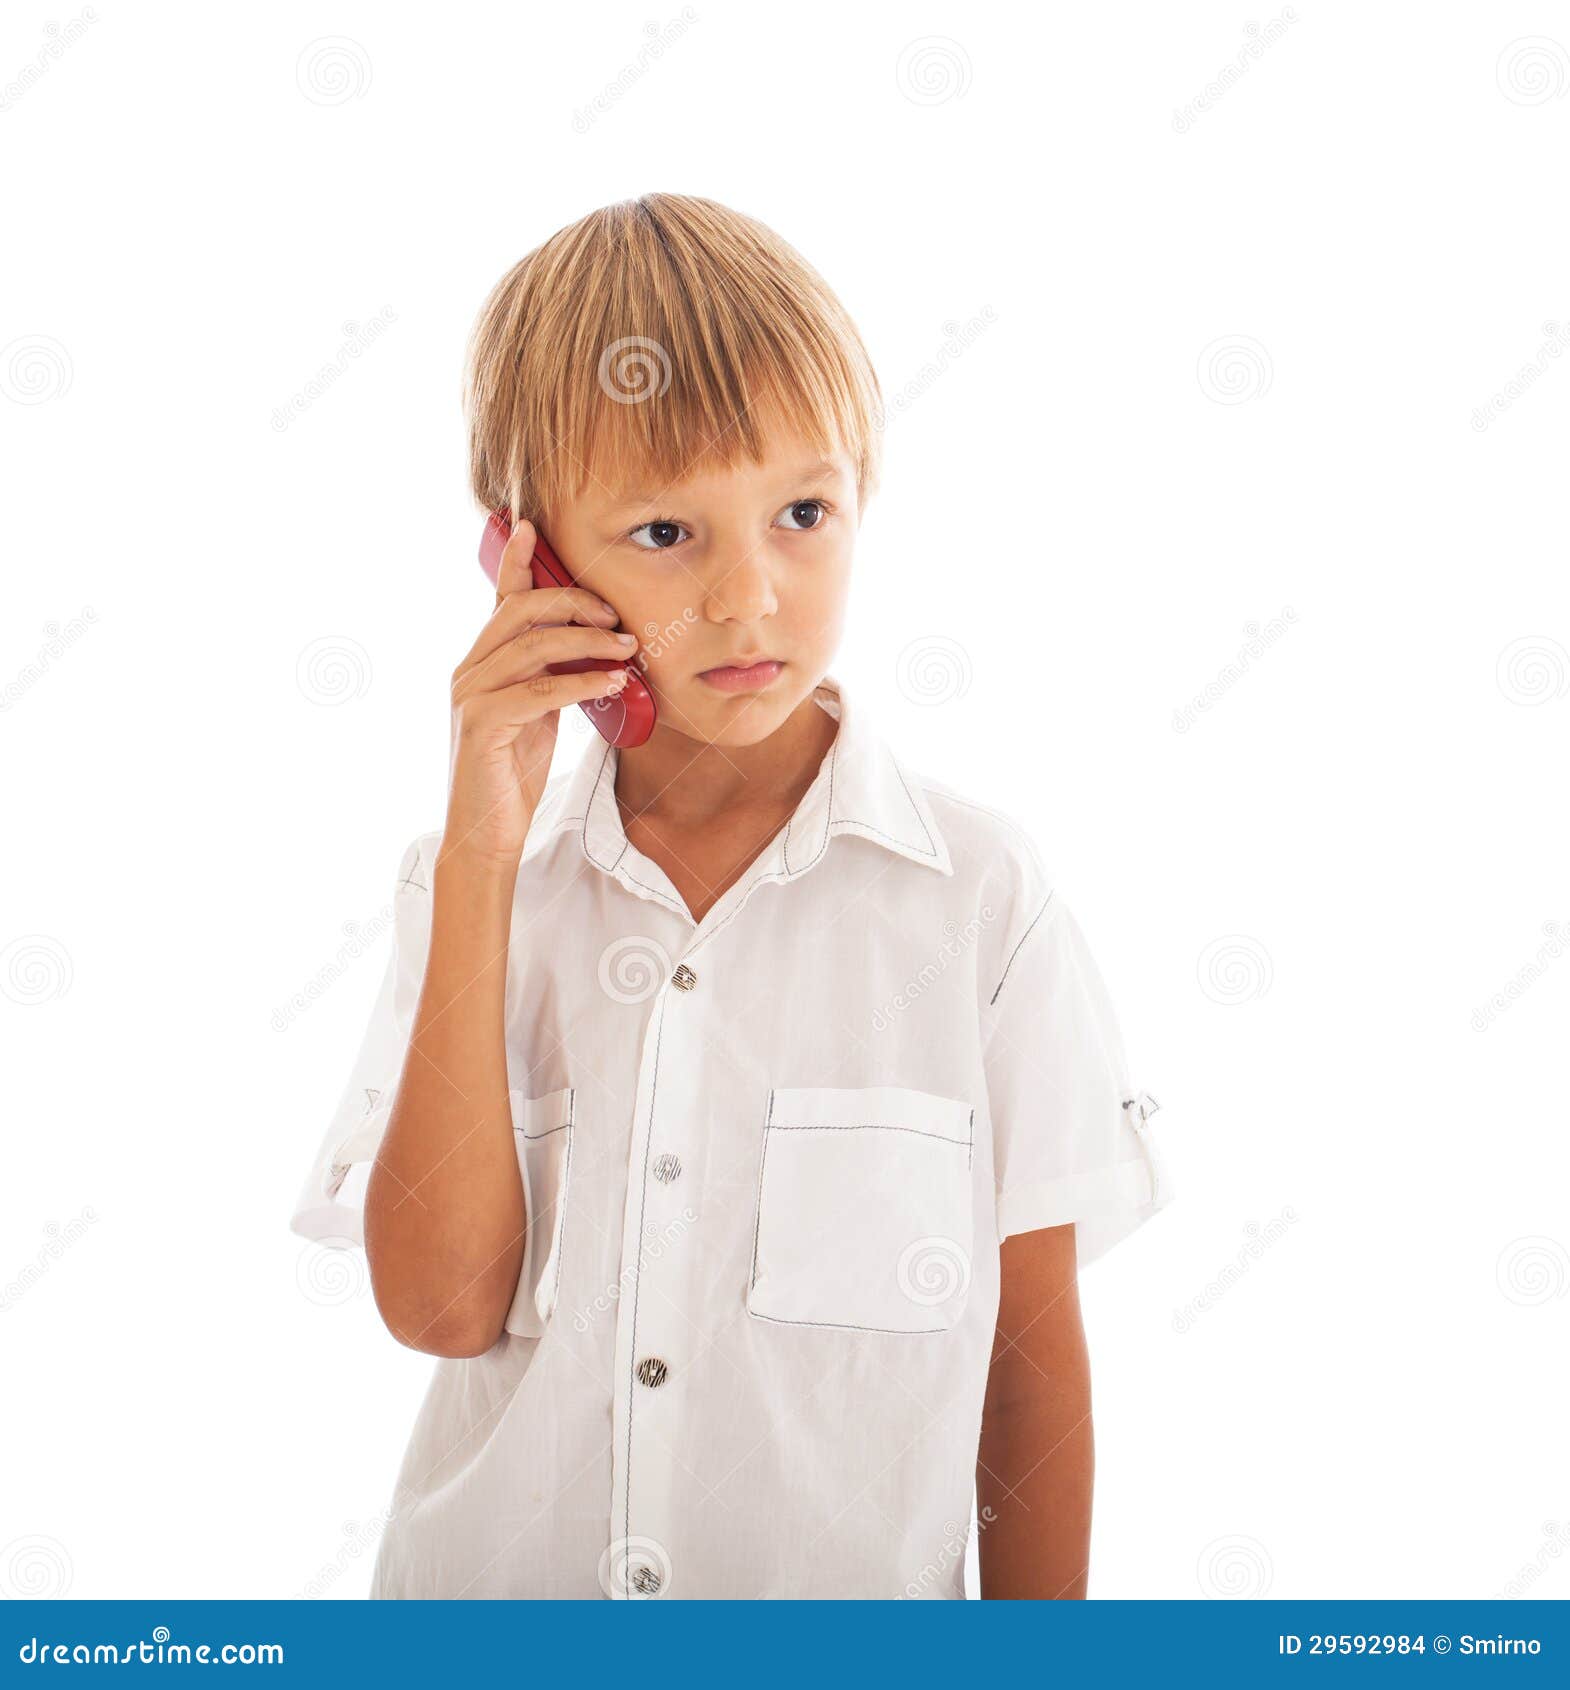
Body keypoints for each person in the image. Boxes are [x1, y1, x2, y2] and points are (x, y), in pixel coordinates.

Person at [289, 192, 1173, 1599]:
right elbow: (443, 1309)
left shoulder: (978, 900)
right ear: (529, 561)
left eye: (801, 513)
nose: (748, 595)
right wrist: (480, 862)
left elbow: (1028, 1364)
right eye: (663, 532)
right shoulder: (474, 887)